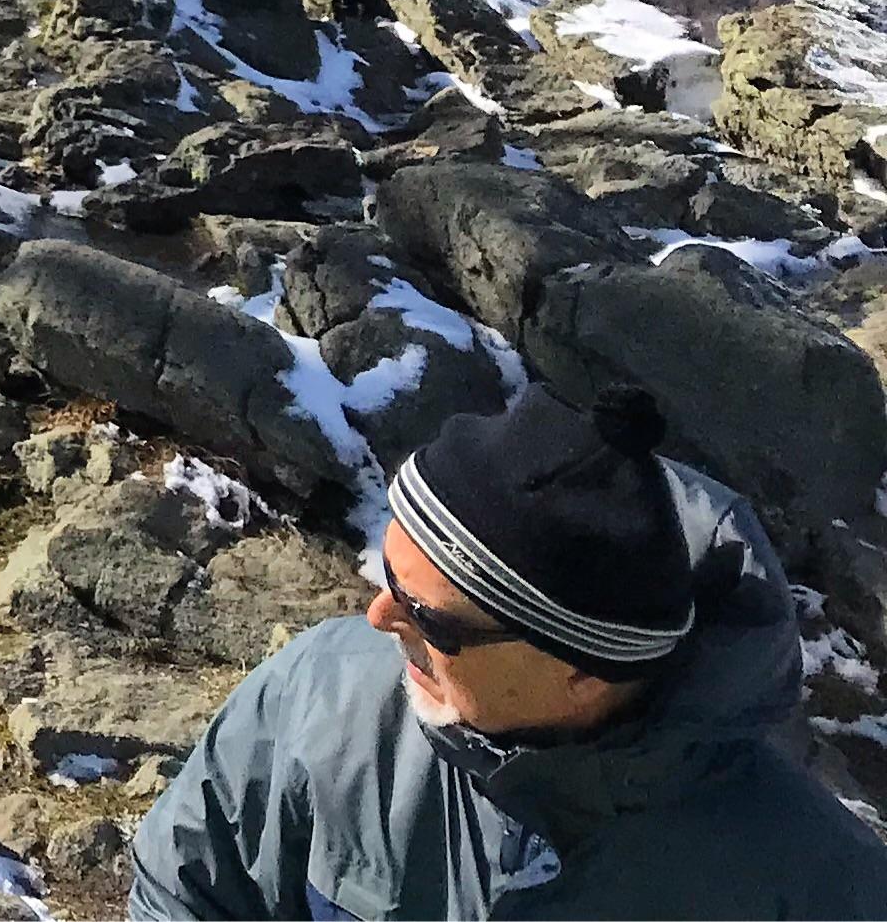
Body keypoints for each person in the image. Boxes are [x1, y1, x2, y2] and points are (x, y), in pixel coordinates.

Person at [130, 382, 887, 919]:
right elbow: (185, 887)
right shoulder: (319, 694)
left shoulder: (813, 885)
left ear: (585, 673)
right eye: (389, 570)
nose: (376, 615)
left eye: (431, 615)